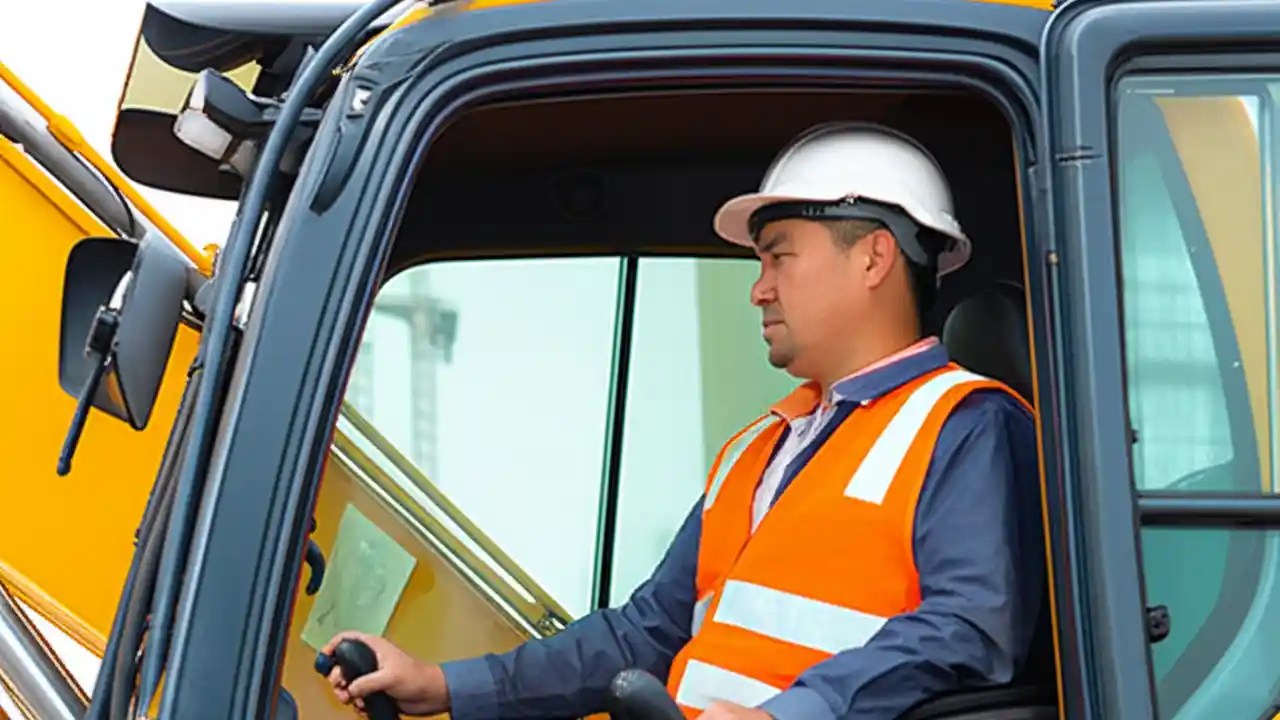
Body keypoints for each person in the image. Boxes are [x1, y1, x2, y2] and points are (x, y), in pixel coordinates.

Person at [323, 122, 1048, 719]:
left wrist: (791, 717)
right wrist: (446, 685)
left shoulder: (966, 426)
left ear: (874, 256)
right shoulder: (759, 448)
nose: (758, 290)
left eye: (778, 258)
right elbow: (648, 631)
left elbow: (968, 630)